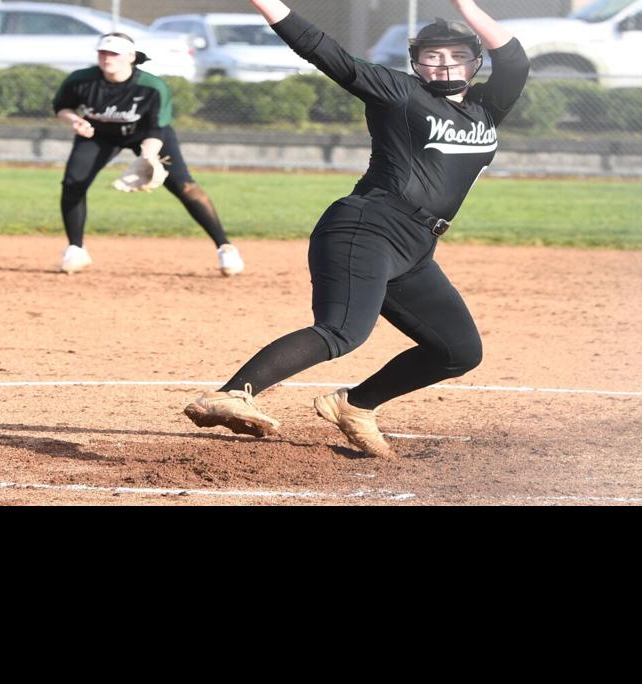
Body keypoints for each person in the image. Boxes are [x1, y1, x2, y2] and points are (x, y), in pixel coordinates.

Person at [182, 0, 526, 457]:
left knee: (457, 351)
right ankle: (232, 393)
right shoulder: (400, 94)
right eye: (432, 56)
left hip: (416, 247)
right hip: (365, 227)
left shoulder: (487, 108)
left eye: (457, 55)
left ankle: (355, 406)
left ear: (475, 59)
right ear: (415, 62)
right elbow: (326, 52)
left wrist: (463, 3)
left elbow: (515, 57)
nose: (444, 64)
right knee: (343, 330)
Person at [52, 32, 244, 276]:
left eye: (114, 53)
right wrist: (74, 121)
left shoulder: (152, 86)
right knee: (73, 183)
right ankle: (75, 249)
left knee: (184, 187)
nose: (107, 57)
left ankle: (225, 247)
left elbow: (156, 128)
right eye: (103, 52)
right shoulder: (81, 80)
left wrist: (148, 157)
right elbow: (62, 107)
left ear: (130, 57)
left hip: (147, 135)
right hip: (98, 134)